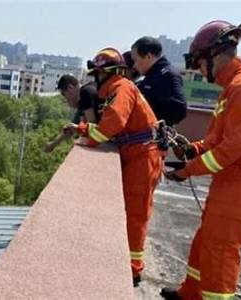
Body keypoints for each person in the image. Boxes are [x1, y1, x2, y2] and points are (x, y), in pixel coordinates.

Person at [161, 20, 241, 300]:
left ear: (215, 54)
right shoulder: (233, 88)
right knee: (206, 241)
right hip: (229, 182)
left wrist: (189, 170)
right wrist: (194, 150)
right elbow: (217, 141)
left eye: (199, 62)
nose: (199, 70)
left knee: (221, 250)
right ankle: (191, 293)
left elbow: (231, 150)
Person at [68, 47, 163, 286]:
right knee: (132, 213)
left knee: (136, 215)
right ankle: (130, 264)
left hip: (143, 157)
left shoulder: (121, 89)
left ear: (107, 73)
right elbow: (109, 126)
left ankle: (133, 269)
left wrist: (87, 136)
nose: (95, 80)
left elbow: (111, 126)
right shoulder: (120, 88)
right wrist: (83, 130)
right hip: (137, 154)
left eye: (97, 74)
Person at [131, 37, 187, 126]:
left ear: (148, 56)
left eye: (135, 60)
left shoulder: (167, 75)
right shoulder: (152, 76)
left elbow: (179, 109)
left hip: (154, 135)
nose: (134, 66)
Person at [44, 74, 101, 153]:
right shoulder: (84, 96)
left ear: (70, 88)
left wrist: (78, 128)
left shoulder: (85, 93)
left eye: (64, 94)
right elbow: (71, 128)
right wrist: (53, 144)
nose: (65, 98)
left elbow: (91, 124)